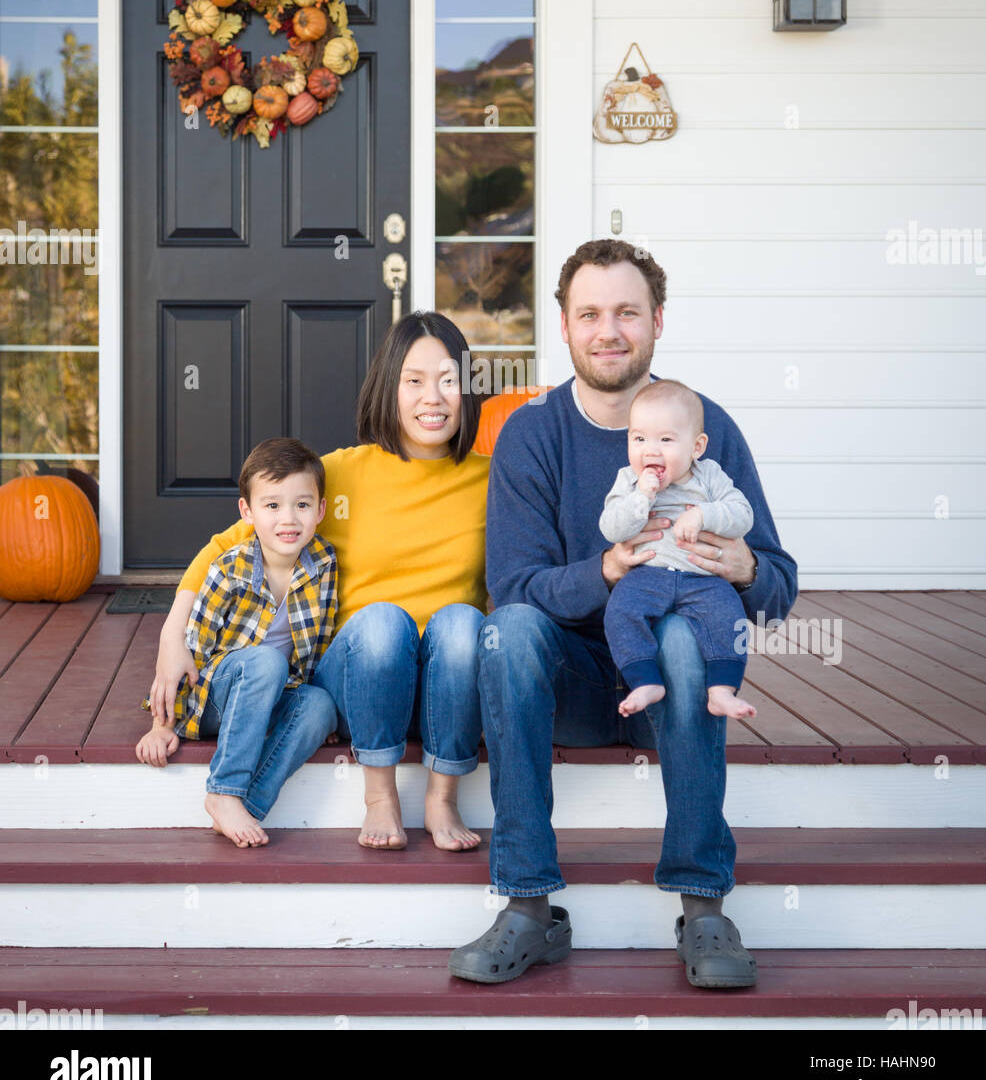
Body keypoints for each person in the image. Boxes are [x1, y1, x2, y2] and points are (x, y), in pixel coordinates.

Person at [449, 238, 797, 988]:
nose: (609, 331)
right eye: (591, 314)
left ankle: (704, 906)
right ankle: (528, 906)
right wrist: (608, 570)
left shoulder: (706, 427)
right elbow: (514, 589)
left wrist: (746, 566)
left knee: (680, 637)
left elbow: (778, 588)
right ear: (566, 326)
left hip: (671, 688)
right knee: (507, 634)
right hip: (571, 683)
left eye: (627, 313)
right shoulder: (533, 433)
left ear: (658, 321)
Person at [149, 311, 490, 853]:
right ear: (388, 387)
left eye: (448, 379)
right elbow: (224, 547)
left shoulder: (490, 479)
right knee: (380, 619)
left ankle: (443, 797)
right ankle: (380, 796)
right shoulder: (342, 474)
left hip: (447, 689)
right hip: (362, 680)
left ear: (468, 388)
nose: (434, 397)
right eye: (414, 381)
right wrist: (172, 639)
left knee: (464, 623)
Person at [136, 437, 339, 849]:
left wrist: (315, 722)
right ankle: (225, 787)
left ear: (320, 510)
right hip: (215, 696)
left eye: (302, 505)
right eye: (272, 505)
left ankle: (243, 803)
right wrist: (161, 725)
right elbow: (190, 652)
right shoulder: (227, 570)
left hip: (276, 693)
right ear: (247, 512)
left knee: (320, 704)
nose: (288, 519)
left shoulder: (324, 564)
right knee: (264, 662)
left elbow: (317, 648)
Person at [600, 378, 758, 721]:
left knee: (729, 616)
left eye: (666, 440)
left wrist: (704, 514)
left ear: (696, 447)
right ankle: (644, 680)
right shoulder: (628, 480)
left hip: (703, 578)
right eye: (639, 438)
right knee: (620, 611)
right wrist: (642, 497)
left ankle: (721, 691)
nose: (650, 451)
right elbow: (611, 527)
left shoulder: (710, 476)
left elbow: (743, 515)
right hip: (648, 576)